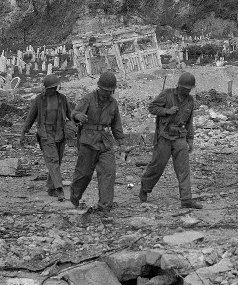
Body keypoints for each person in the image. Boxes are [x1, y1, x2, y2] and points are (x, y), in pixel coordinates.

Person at [139, 72, 202, 209]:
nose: (187, 91)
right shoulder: (166, 94)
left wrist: (190, 139)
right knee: (157, 166)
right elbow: (152, 108)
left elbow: (189, 122)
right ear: (179, 86)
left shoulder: (190, 101)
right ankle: (145, 188)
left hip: (180, 137)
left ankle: (186, 199)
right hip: (164, 137)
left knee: (183, 169)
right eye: (185, 89)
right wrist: (167, 111)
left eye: (189, 89)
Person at [69, 72, 124, 211]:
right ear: (99, 87)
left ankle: (105, 206)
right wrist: (78, 116)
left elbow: (116, 124)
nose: (107, 93)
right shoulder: (88, 99)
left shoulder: (113, 103)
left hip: (105, 142)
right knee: (84, 174)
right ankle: (75, 195)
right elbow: (74, 114)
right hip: (88, 141)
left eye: (110, 91)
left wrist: (121, 142)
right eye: (105, 90)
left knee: (108, 173)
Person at [20, 74, 74, 198]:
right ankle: (59, 188)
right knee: (53, 160)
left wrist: (77, 126)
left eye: (55, 88)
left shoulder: (62, 99)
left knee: (56, 162)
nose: (53, 90)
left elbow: (70, 116)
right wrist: (24, 132)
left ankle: (51, 188)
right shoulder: (39, 100)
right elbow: (31, 117)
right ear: (45, 88)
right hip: (46, 134)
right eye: (50, 88)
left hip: (60, 134)